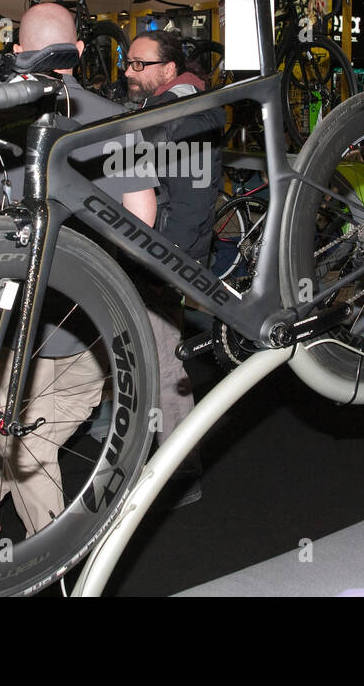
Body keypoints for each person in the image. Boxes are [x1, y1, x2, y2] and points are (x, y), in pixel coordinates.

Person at [0, 2, 157, 555]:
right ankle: (49, 563)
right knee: (41, 435)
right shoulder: (112, 117)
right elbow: (145, 219)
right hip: (80, 311)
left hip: (10, 308)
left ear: (18, 53)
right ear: (80, 52)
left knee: (20, 424)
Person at [122, 29, 225, 506]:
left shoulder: (189, 113)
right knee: (155, 364)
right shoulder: (161, 110)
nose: (129, 72)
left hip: (161, 257)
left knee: (166, 368)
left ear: (168, 69)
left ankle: (182, 475)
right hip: (148, 254)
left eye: (140, 64)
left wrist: (165, 263)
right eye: (128, 63)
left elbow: (193, 204)